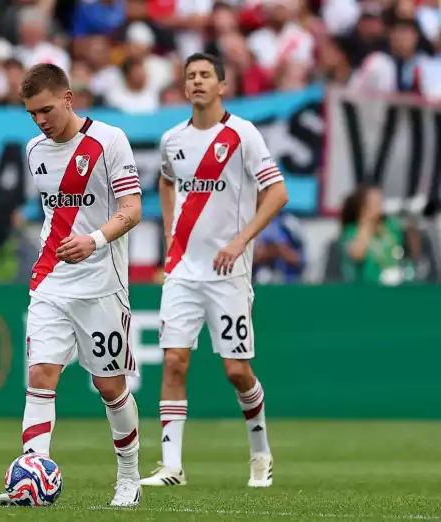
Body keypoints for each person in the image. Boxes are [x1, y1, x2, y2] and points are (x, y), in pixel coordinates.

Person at [0, 63, 144, 508]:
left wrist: (94, 240)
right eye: (31, 114)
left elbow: (132, 208)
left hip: (102, 284)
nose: (40, 120)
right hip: (50, 281)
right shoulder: (34, 151)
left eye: (45, 109)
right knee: (40, 375)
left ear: (68, 98)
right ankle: (30, 479)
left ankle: (129, 478)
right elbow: (52, 214)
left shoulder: (109, 141)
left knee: (109, 387)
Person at [142, 52, 289, 488]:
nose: (198, 82)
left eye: (206, 75)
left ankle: (260, 452)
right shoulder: (172, 139)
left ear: (222, 85)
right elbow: (166, 181)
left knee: (236, 372)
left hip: (229, 273)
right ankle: (172, 466)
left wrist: (242, 240)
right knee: (174, 362)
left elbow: (277, 192)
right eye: (191, 76)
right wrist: (171, 235)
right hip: (184, 270)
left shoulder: (243, 135)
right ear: (185, 87)